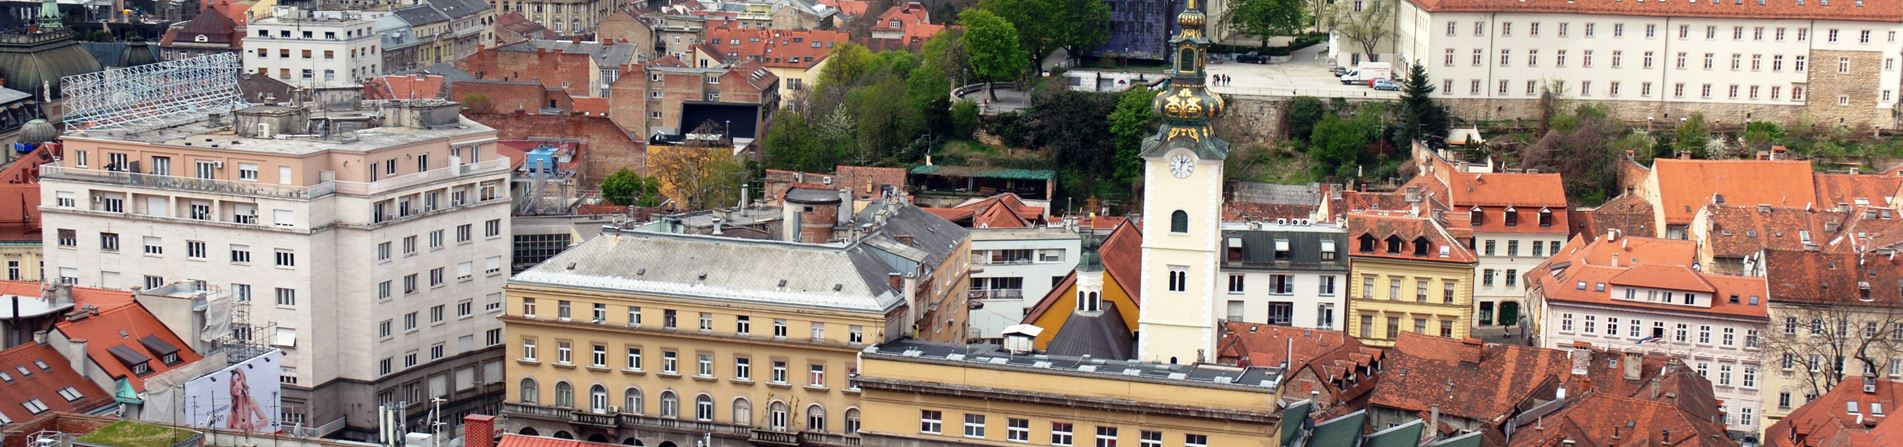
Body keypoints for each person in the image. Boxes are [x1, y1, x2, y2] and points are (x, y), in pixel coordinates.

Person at [225, 368, 271, 432]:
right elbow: (227, 436)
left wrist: (253, 427)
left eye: (238, 380)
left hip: (250, 440)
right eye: (234, 384)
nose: (237, 385)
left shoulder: (251, 400)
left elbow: (265, 420)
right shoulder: (231, 414)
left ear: (243, 380)